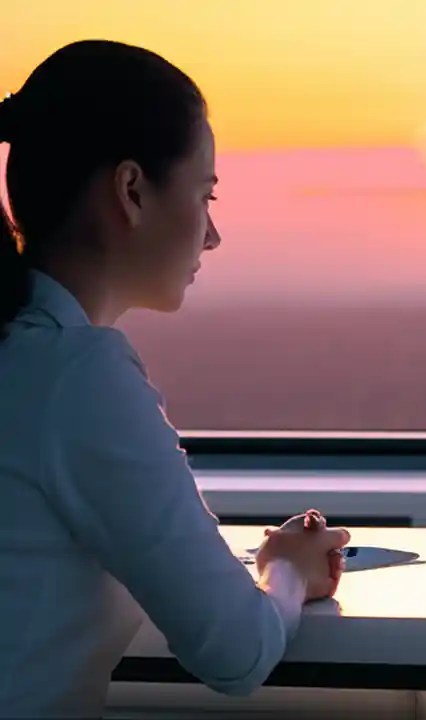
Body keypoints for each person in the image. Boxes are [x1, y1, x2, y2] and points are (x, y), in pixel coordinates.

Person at [0, 40, 351, 716]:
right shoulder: (77, 377)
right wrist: (286, 569)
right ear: (131, 191)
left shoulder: (24, 356)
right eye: (204, 194)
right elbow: (235, 649)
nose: (212, 234)